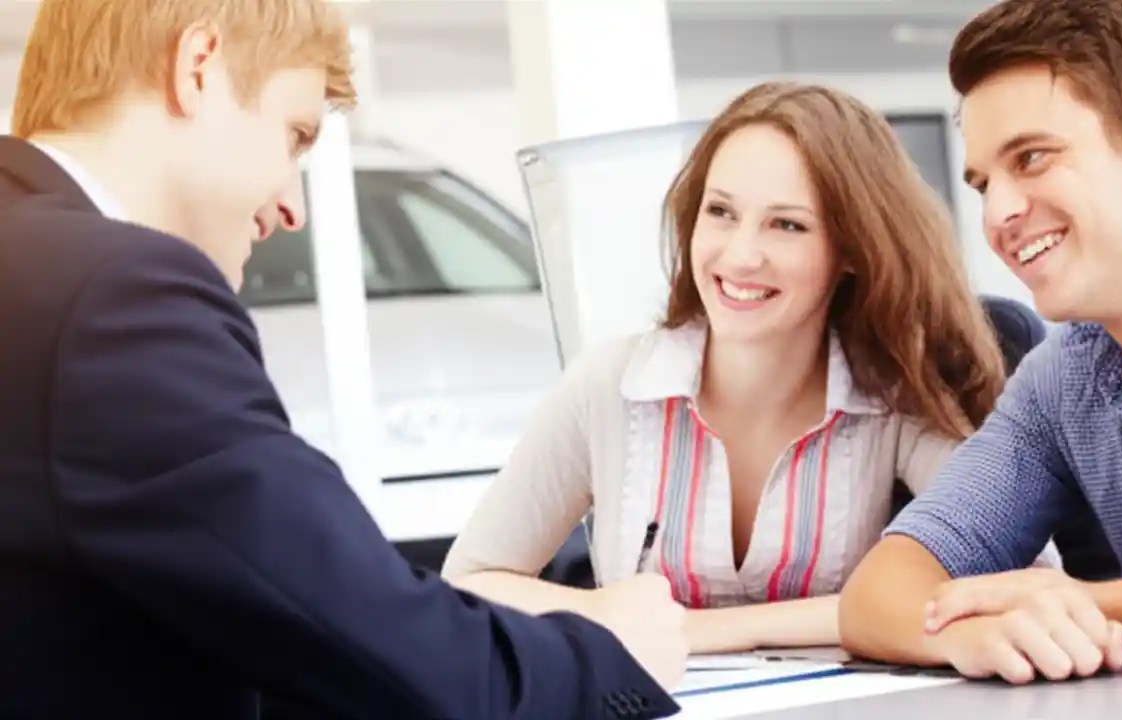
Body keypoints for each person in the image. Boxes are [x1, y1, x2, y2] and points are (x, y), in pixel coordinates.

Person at [0, 1, 687, 717]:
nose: (293, 207)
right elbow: (380, 649)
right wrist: (605, 653)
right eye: (295, 136)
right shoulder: (115, 295)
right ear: (198, 67)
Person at [441, 81, 1047, 654]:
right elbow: (471, 581)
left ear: (853, 252)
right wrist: (609, 618)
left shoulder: (896, 392)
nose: (740, 255)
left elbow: (1026, 585)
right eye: (721, 213)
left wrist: (704, 630)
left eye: (787, 224)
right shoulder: (609, 385)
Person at [839, 0, 1122, 686]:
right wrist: (978, 635)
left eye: (1033, 158)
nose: (998, 215)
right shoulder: (1063, 378)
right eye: (985, 183)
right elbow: (878, 596)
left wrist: (1081, 605)